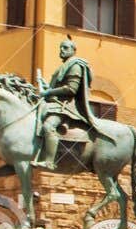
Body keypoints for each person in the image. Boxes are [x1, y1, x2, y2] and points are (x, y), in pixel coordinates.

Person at [33, 38, 114, 167]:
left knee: (48, 126)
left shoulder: (75, 66)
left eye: (65, 48)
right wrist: (46, 86)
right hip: (56, 103)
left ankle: (49, 161)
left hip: (66, 106)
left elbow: (71, 89)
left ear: (73, 50)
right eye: (60, 47)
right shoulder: (64, 66)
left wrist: (48, 92)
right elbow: (59, 87)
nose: (62, 50)